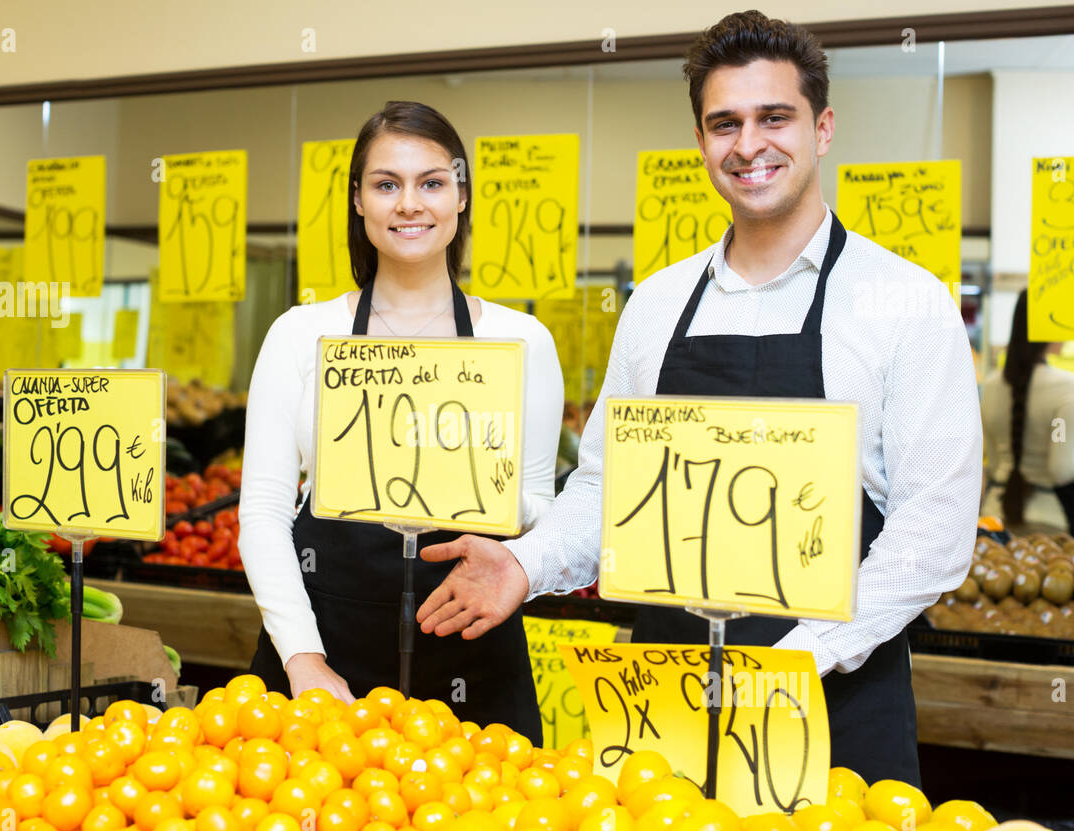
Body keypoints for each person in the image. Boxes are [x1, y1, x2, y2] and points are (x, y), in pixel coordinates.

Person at [416, 11, 982, 787]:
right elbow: (609, 487)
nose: (748, 145)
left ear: (821, 128)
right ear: (702, 144)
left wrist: (793, 662)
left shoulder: (904, 302)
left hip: (835, 704)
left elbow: (934, 529)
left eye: (773, 117)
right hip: (662, 704)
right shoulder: (656, 304)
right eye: (724, 124)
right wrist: (527, 561)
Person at [239, 101, 563, 741]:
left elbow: (540, 509)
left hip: (471, 638)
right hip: (327, 646)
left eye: (431, 183)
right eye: (386, 184)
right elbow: (264, 511)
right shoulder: (301, 335)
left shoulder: (521, 338)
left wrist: (471, 492)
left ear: (460, 196)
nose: (409, 204)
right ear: (359, 200)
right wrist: (302, 657)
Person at [981, 290, 1074, 536]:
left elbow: (993, 462)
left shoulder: (991, 386)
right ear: (1049, 327)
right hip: (1050, 524)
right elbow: (1062, 468)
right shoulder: (1068, 389)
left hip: (995, 518)